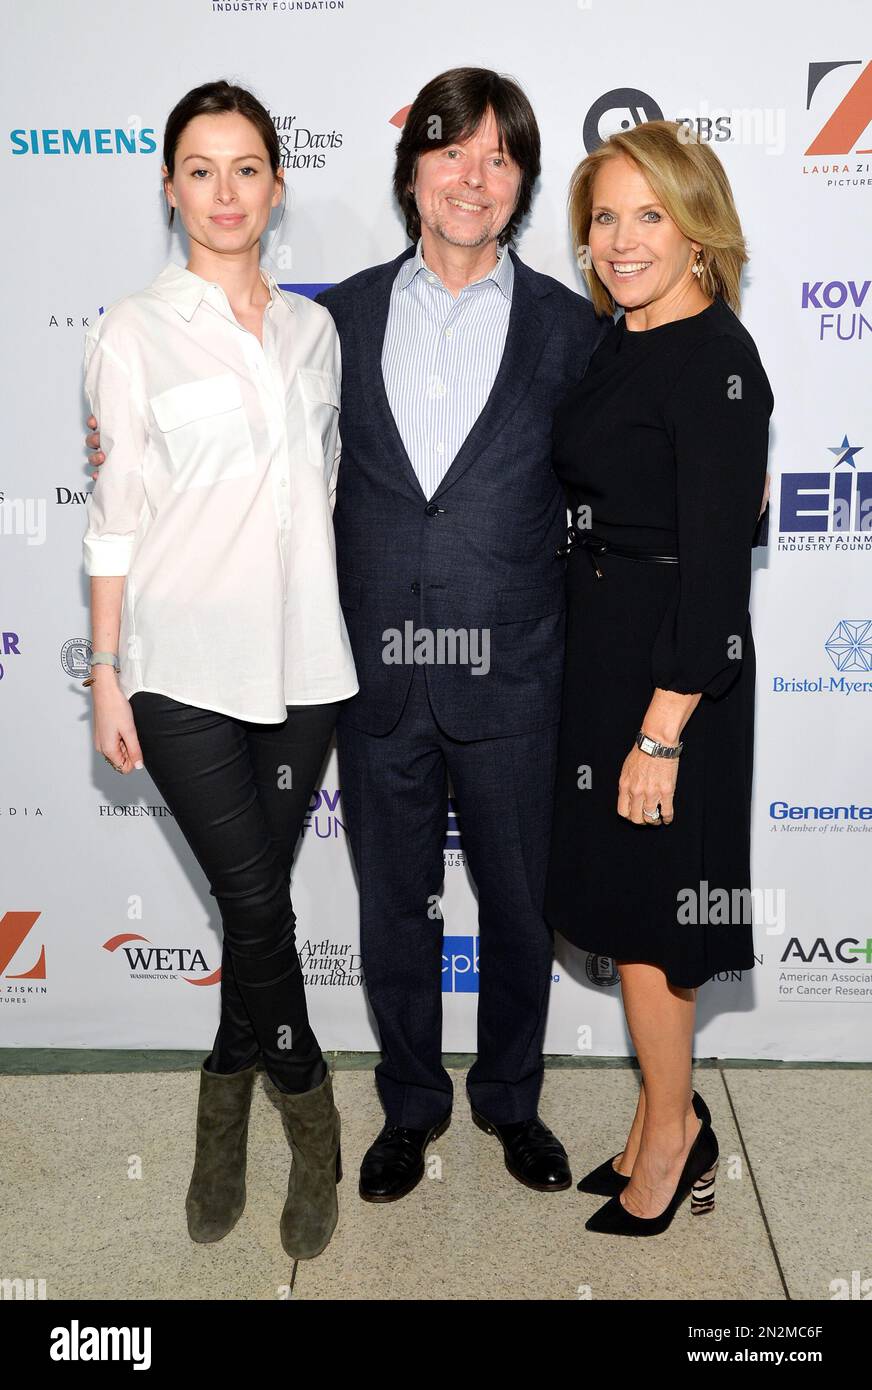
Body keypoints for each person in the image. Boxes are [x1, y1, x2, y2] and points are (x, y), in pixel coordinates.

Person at [312, 68, 608, 1201]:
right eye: (450, 153)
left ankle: (512, 1099)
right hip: (377, 676)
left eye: (497, 158)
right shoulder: (332, 320)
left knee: (519, 901)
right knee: (392, 905)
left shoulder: (571, 329)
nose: (471, 177)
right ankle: (408, 1106)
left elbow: (611, 501)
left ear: (521, 182)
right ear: (412, 173)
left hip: (518, 677)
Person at [81, 79, 357, 1260]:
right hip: (181, 669)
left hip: (305, 668)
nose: (225, 191)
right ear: (169, 187)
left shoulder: (313, 331)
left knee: (253, 914)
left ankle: (223, 1100)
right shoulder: (131, 332)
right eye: (201, 169)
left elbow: (325, 487)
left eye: (246, 168)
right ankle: (311, 1112)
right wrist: (104, 670)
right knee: (256, 902)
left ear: (277, 186)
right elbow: (113, 515)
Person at [543, 119, 774, 1235]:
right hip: (605, 656)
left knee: (652, 923)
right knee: (627, 912)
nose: (621, 240)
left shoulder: (716, 361)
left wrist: (662, 728)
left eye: (649, 216)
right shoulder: (621, 338)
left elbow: (719, 563)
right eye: (602, 217)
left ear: (697, 234)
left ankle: (672, 1141)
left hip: (671, 675)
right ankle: (654, 1115)